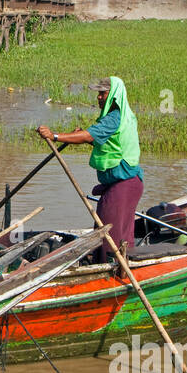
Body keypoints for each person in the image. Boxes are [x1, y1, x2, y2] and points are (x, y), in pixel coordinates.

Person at [36, 76, 144, 255]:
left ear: (114, 95)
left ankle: (111, 273)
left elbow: (88, 136)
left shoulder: (115, 117)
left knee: (108, 238)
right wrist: (77, 136)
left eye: (103, 93)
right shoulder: (122, 115)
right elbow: (105, 143)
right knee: (110, 233)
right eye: (99, 94)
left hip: (124, 184)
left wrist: (54, 136)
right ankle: (116, 265)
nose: (99, 97)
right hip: (124, 183)